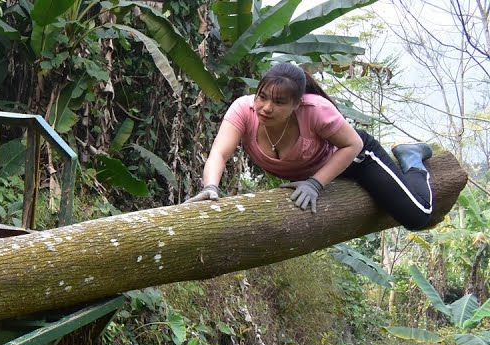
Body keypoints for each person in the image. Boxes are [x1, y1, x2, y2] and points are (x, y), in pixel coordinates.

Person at [186, 62, 435, 230]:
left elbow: (353, 144)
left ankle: (411, 158)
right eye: (262, 97)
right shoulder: (243, 108)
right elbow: (220, 152)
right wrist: (211, 186)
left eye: (279, 102)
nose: (266, 107)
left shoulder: (315, 110)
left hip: (356, 160)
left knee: (418, 215)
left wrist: (316, 184)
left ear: (297, 103)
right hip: (314, 171)